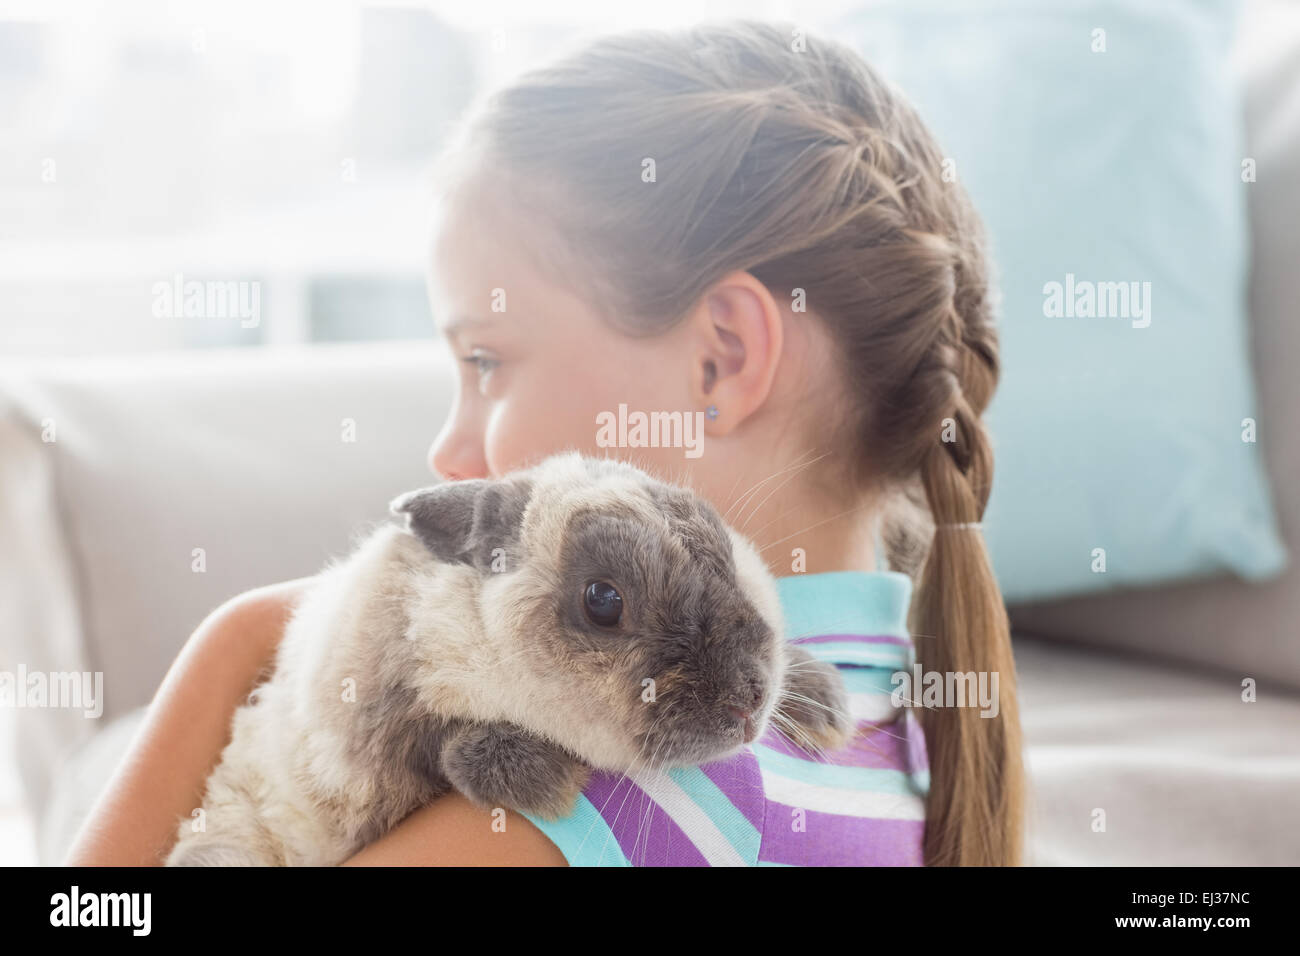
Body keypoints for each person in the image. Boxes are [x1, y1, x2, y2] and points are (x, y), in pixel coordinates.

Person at [67, 18, 1024, 867]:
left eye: (488, 359)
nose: (451, 450)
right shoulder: (908, 721)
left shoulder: (629, 800)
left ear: (720, 360)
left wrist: (232, 642)